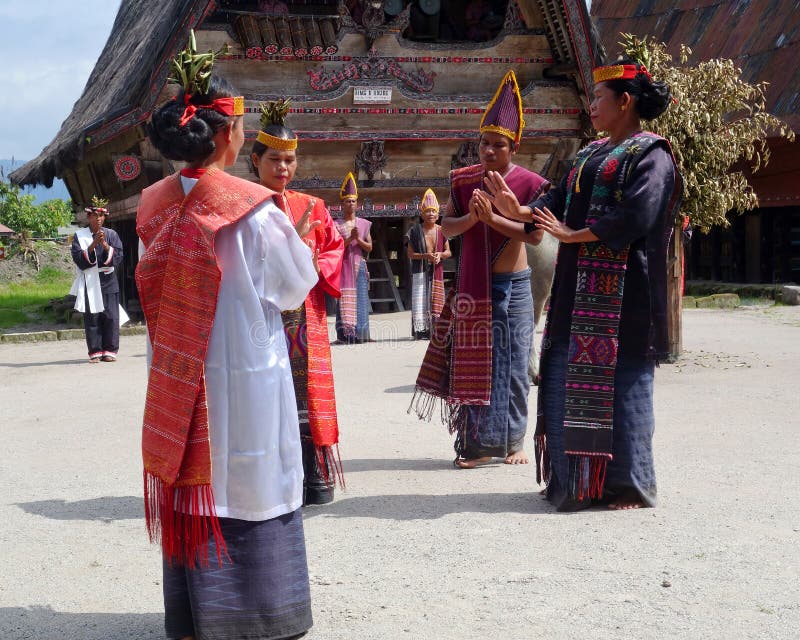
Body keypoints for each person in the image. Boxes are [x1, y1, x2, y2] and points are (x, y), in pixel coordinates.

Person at [136, 36, 318, 640]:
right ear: (225, 137)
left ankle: (192, 615)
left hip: (178, 370)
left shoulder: (150, 205)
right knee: (250, 476)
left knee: (200, 482)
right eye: (237, 128)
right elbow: (295, 287)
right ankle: (257, 616)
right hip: (244, 367)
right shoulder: (254, 210)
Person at [484, 58, 683, 511]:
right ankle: (574, 482)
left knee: (623, 383)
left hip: (624, 297)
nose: (591, 105)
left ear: (625, 102)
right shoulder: (588, 153)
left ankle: (627, 485)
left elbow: (639, 214)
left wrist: (575, 235)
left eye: (598, 98)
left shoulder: (653, 153)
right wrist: (520, 210)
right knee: (566, 379)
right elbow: (554, 200)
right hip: (576, 291)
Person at [410, 70, 549, 468]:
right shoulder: (463, 182)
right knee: (475, 362)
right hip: (475, 286)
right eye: (484, 143)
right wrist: (473, 219)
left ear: (514, 147)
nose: (488, 151)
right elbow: (444, 229)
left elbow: (534, 235)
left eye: (498, 145)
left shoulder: (530, 183)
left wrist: (493, 219)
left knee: (517, 362)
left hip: (515, 284)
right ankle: (475, 446)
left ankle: (513, 442)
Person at [250, 98, 345, 506]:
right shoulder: (245, 208)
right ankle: (273, 482)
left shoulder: (314, 207)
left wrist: (306, 257)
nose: (283, 168)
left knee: (308, 398)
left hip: (307, 318)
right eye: (274, 159)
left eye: (289, 160)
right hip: (263, 319)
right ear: (255, 160)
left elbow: (333, 250)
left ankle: (316, 479)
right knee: (269, 395)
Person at [69, 196, 124, 363]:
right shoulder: (80, 236)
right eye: (95, 215)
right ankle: (95, 351)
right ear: (89, 217)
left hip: (108, 280)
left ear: (105, 217)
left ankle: (109, 350)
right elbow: (78, 257)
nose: (98, 219)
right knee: (92, 317)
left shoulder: (112, 235)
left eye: (101, 216)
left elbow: (119, 255)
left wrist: (106, 246)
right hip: (90, 281)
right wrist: (93, 244)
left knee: (111, 316)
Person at [404, 188, 451, 339]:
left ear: (438, 215)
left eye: (433, 211)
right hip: (420, 270)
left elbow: (448, 252)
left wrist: (440, 255)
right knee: (420, 299)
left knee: (437, 300)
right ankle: (420, 331)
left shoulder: (442, 230)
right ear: (422, 214)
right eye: (428, 211)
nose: (431, 214)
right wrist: (426, 256)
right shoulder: (415, 231)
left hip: (436, 269)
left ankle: (436, 330)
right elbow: (410, 254)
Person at [334, 172, 373, 343]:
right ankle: (345, 335)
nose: (351, 203)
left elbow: (369, 247)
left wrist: (358, 239)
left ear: (357, 203)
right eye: (347, 201)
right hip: (343, 266)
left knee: (362, 298)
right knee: (342, 300)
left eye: (353, 201)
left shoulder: (364, 224)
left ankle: (363, 334)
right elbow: (335, 246)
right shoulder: (336, 224)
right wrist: (350, 239)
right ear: (341, 204)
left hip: (360, 265)